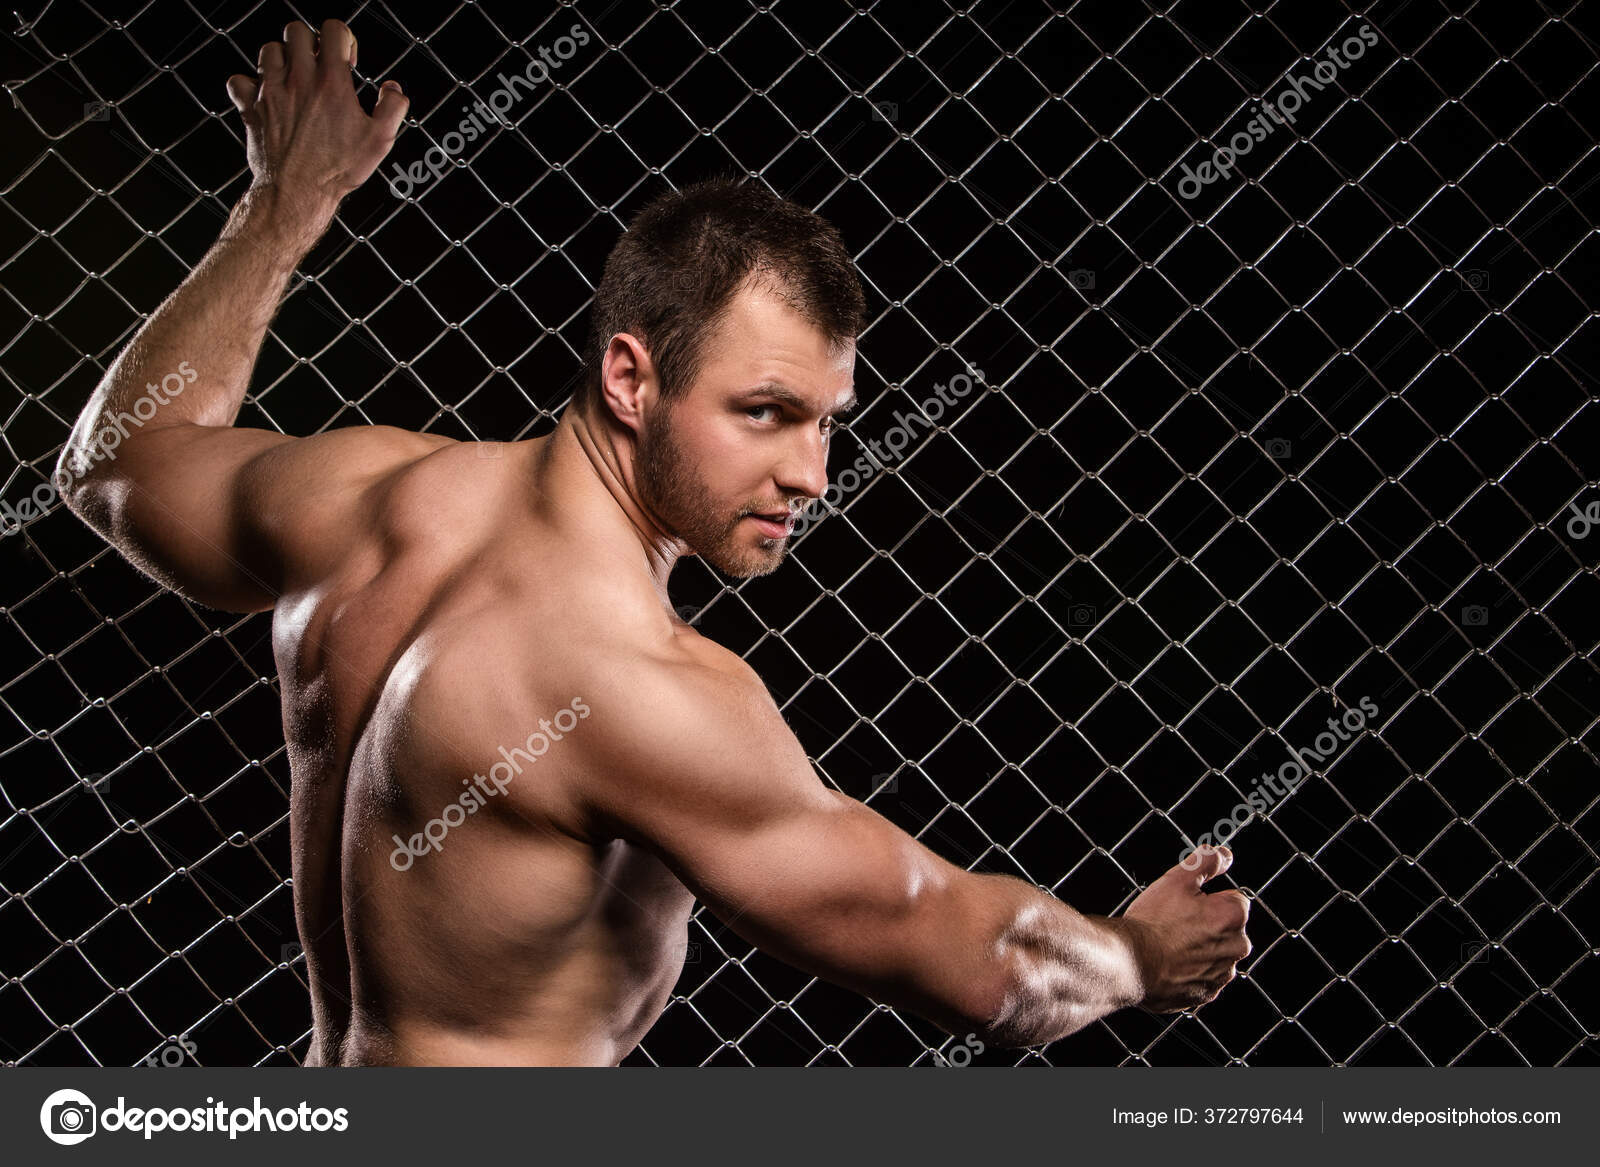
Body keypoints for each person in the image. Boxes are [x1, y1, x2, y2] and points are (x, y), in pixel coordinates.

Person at [55, 19, 1250, 1066]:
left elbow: (113, 461)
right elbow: (981, 962)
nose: (814, 474)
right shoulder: (631, 686)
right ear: (632, 376)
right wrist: (1140, 955)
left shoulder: (367, 498)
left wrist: (281, 209)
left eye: (828, 422)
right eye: (764, 414)